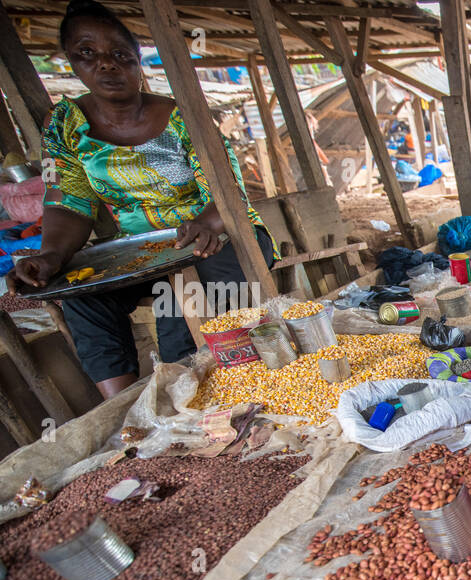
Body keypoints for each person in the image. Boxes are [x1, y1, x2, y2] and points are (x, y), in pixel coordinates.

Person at [14, 0, 278, 398]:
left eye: (120, 55)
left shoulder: (184, 116)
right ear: (71, 61)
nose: (106, 64)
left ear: (138, 62)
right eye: (88, 53)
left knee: (178, 301)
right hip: (144, 250)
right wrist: (51, 255)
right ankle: (125, 410)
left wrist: (205, 225)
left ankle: (207, 393)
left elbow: (229, 194)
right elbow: (68, 201)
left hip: (220, 232)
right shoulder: (63, 126)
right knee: (81, 295)